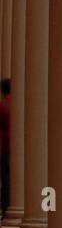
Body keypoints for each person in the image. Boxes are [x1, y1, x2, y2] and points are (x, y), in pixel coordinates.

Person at [0, 78, 10, 219]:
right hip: (21, 150)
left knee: (6, 179)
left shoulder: (2, 106)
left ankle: (7, 208)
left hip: (6, 147)